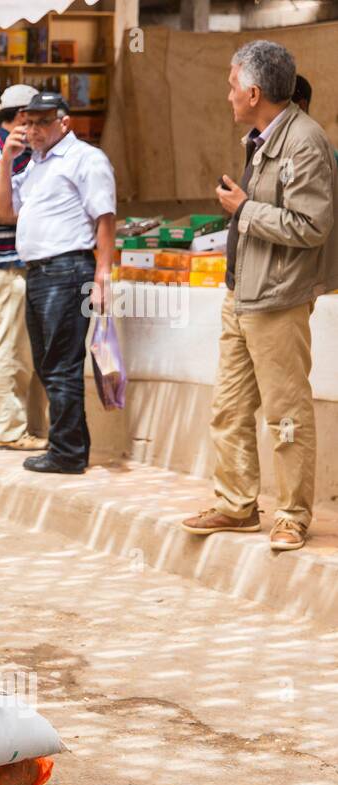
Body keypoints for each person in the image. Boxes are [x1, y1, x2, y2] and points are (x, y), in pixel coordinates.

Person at [182, 41, 337, 551]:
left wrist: (243, 210)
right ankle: (235, 504)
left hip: (278, 299)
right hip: (241, 295)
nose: (226, 95)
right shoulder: (263, 137)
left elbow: (312, 225)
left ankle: (292, 514)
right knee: (228, 408)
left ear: (253, 92)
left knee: (286, 415)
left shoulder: (304, 142)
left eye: (231, 86)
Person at [0, 91, 116, 475]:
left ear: (65, 123)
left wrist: (103, 275)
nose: (33, 130)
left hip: (69, 270)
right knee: (49, 365)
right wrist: (6, 160)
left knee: (62, 366)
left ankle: (66, 452)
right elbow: (4, 210)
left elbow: (105, 219)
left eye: (43, 122)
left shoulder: (87, 159)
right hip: (40, 273)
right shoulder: (34, 164)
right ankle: (70, 447)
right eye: (28, 122)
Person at [0, 83, 44, 451]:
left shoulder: (1, 148)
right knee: (9, 349)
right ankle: (9, 429)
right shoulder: (3, 152)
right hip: (1, 265)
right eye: (34, 118)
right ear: (20, 117)